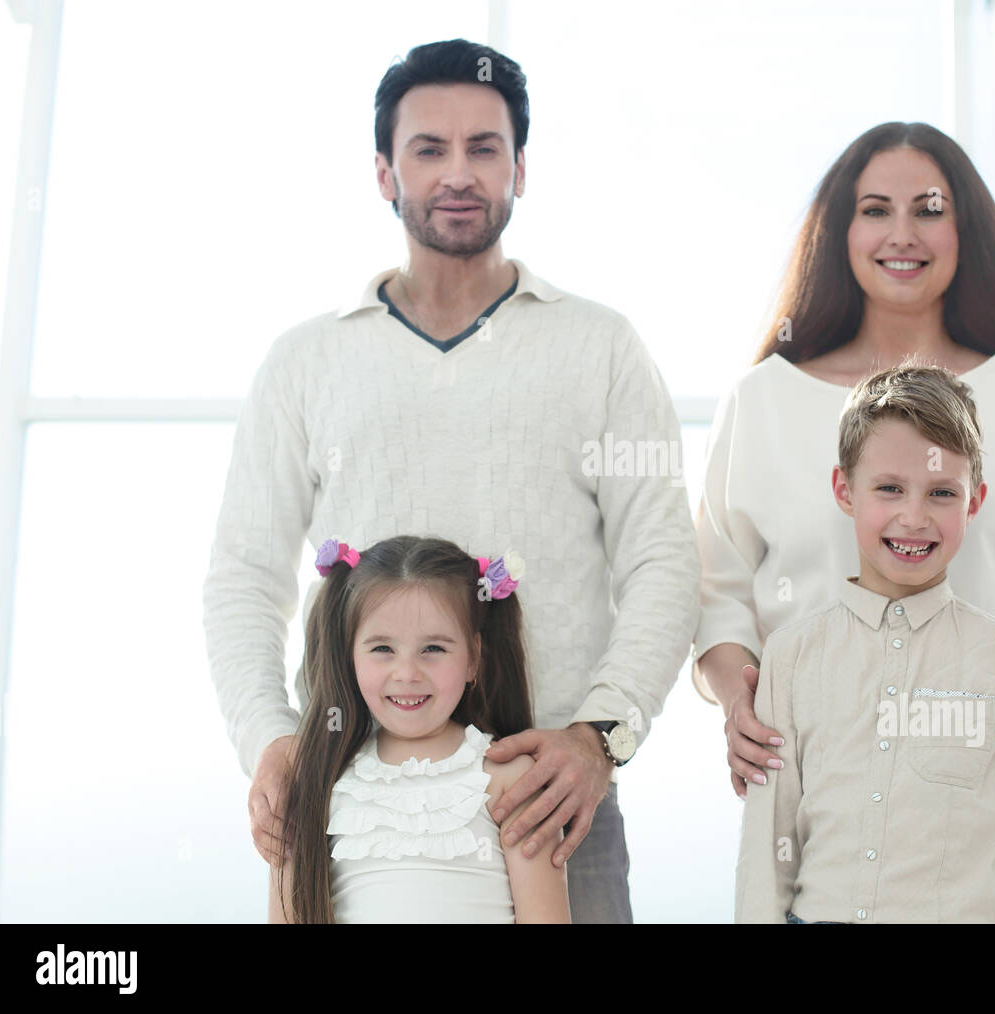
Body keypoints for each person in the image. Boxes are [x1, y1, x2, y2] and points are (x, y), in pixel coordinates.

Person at [204, 39, 698, 924]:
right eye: (429, 149)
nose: (458, 173)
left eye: (485, 148)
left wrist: (598, 740)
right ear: (386, 174)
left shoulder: (601, 347)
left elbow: (664, 559)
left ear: (520, 169)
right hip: (351, 808)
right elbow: (243, 576)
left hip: (552, 801)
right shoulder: (308, 361)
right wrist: (272, 744)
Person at [694, 122, 995, 811]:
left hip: (989, 801)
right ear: (840, 233)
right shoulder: (763, 401)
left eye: (929, 210)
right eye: (875, 211)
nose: (903, 234)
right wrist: (737, 703)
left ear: (968, 232)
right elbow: (718, 598)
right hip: (810, 803)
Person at [735, 364, 995, 923]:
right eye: (890, 488)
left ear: (973, 502)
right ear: (844, 490)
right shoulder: (789, 658)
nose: (914, 517)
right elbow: (765, 854)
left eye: (942, 492)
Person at [268, 535, 569, 923]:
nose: (407, 673)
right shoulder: (317, 782)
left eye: (434, 649)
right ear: (349, 655)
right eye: (382, 649)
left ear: (473, 658)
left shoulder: (511, 781)